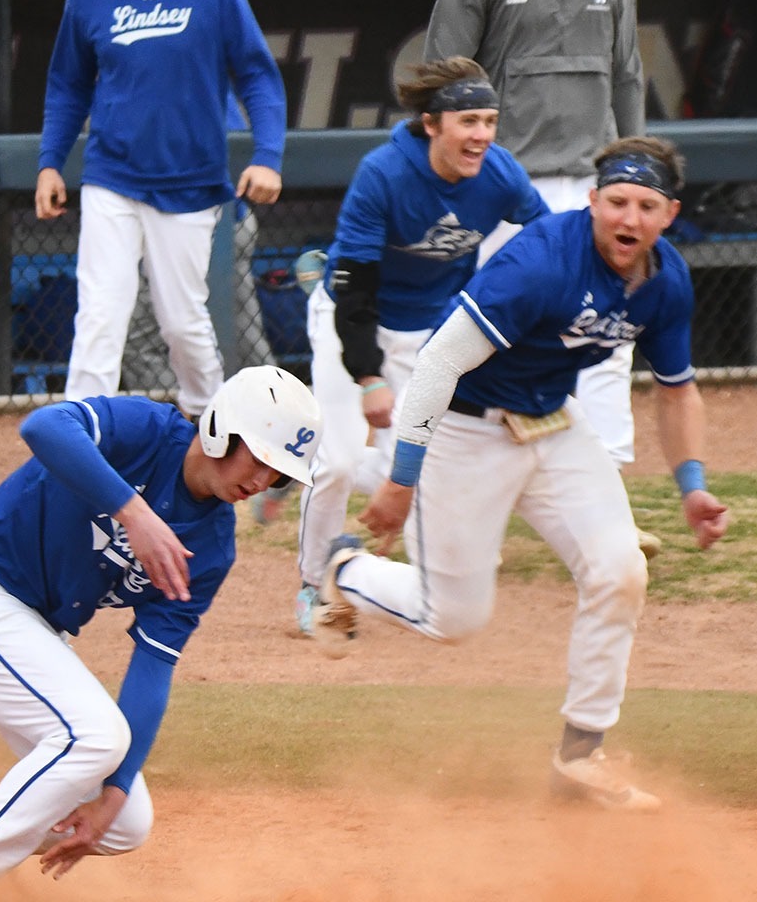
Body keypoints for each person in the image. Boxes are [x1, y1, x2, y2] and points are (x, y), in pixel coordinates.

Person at [309, 137, 731, 812]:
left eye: (646, 206)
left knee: (620, 569)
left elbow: (678, 391)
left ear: (669, 214)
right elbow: (436, 371)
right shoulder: (538, 264)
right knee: (453, 619)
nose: (629, 218)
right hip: (464, 428)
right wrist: (400, 480)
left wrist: (692, 486)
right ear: (593, 202)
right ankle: (346, 572)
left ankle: (581, 756)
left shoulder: (666, 280)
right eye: (616, 201)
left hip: (551, 424)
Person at [0, 366, 321, 901]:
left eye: (279, 475)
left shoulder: (212, 545)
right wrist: (133, 512)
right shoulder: (148, 430)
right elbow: (44, 427)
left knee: (124, 820)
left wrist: (114, 793)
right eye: (259, 459)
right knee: (96, 735)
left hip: (32, 631)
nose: (262, 482)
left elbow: (155, 661)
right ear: (221, 430)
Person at [288, 58, 548, 633]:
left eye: (489, 121)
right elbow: (354, 286)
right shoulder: (383, 173)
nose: (481, 135)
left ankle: (292, 471)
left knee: (409, 461)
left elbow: (548, 240)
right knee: (336, 465)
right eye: (467, 121)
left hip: (434, 329)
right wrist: (368, 376)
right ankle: (312, 588)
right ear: (432, 124)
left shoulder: (501, 175)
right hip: (354, 317)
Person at [424, 0, 648, 486]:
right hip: (505, 183)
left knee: (606, 337)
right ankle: (455, 481)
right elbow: (442, 86)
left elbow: (627, 75)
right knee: (485, 338)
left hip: (593, 182)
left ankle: (604, 485)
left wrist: (635, 175)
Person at [35, 0, 286, 420]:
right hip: (113, 175)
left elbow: (257, 76)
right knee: (101, 311)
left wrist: (268, 155)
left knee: (182, 320)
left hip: (192, 180)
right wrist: (50, 163)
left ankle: (209, 417)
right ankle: (79, 433)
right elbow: (67, 86)